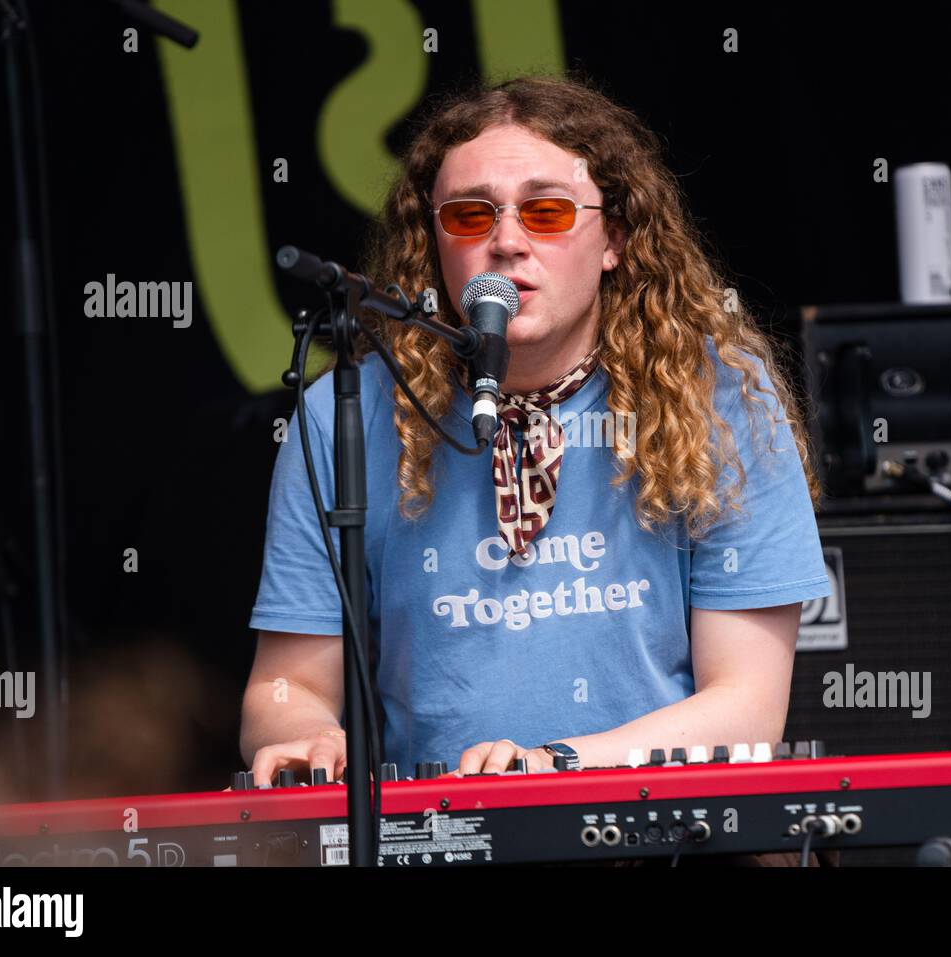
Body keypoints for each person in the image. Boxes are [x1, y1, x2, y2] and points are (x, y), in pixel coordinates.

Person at [241, 74, 832, 866]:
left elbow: (748, 710)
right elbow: (286, 686)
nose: (507, 241)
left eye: (547, 211)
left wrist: (555, 767)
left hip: (674, 844)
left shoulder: (722, 399)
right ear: (434, 243)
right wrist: (301, 731)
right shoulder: (341, 415)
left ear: (616, 237)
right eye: (469, 215)